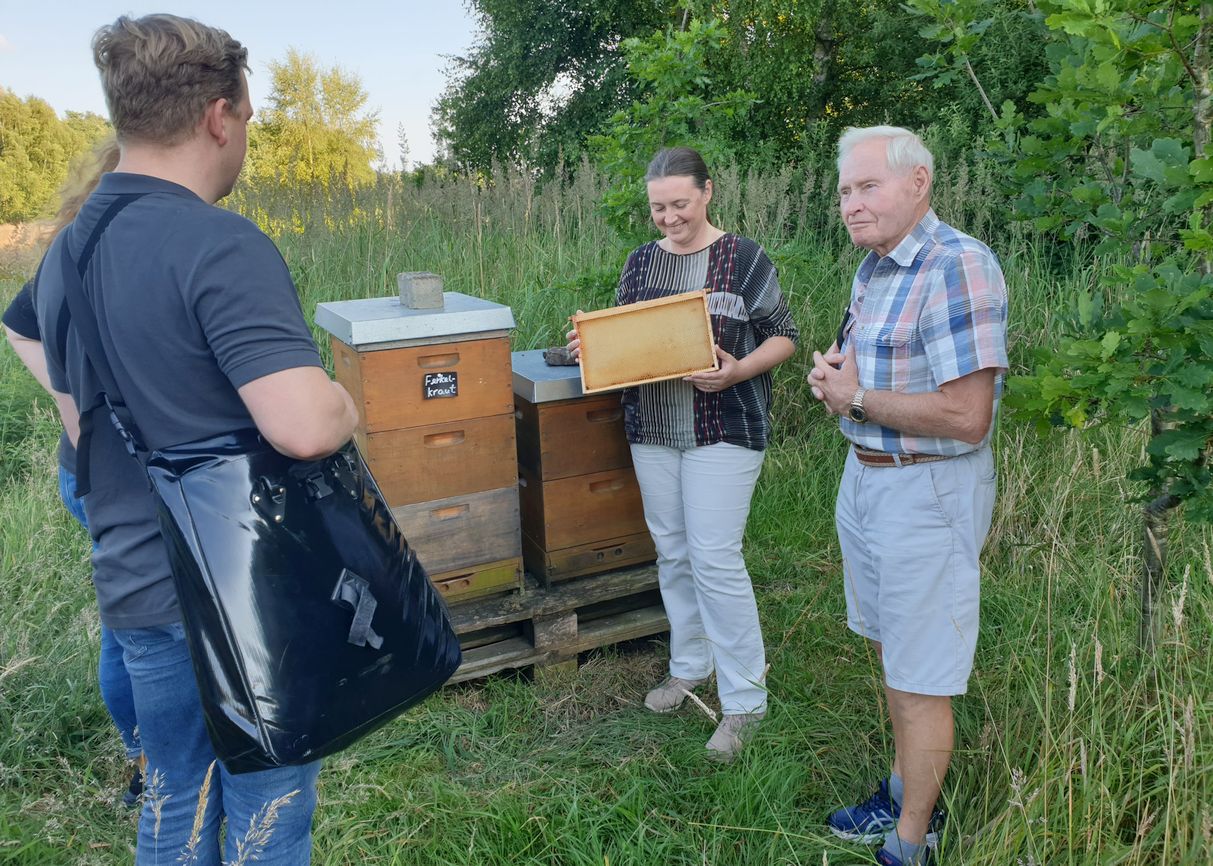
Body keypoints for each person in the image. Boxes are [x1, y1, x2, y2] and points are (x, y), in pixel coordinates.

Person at [32, 14, 358, 864]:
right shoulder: (217, 242)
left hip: (135, 581)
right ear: (220, 114)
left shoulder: (69, 246)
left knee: (176, 801)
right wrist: (343, 401)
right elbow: (302, 426)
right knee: (265, 812)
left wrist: (79, 420)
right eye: (247, 118)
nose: (243, 134)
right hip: (239, 596)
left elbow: (43, 353)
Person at [807, 126, 1008, 866]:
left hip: (927, 489)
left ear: (917, 183)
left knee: (921, 677)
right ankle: (899, 791)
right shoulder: (874, 267)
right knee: (896, 655)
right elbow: (864, 371)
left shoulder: (956, 266)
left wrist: (854, 397)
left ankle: (910, 843)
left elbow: (966, 416)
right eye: (844, 192)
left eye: (866, 188)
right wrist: (835, 378)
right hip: (867, 479)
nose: (850, 206)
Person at [569, 146, 798, 761]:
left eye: (679, 204)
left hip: (725, 425)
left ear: (707, 193)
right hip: (652, 427)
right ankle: (689, 667)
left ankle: (746, 700)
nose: (668, 217)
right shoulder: (641, 262)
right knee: (672, 551)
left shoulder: (742, 257)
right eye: (657, 207)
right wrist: (587, 342)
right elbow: (624, 336)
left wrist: (738, 369)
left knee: (715, 557)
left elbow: (785, 335)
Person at [2, 137, 145, 808]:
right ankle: (148, 760)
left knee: (143, 619)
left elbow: (18, 323)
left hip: (112, 472)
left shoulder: (80, 249)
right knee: (135, 625)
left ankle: (167, 746)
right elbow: (17, 325)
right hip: (108, 477)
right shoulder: (94, 254)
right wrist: (73, 411)